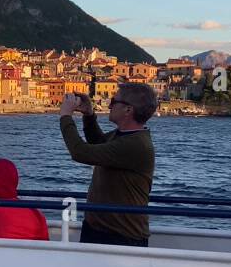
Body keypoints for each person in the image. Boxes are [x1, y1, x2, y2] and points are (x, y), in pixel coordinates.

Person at [58, 83, 157, 247]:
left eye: (114, 100)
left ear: (128, 110)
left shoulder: (135, 144)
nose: (109, 105)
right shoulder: (124, 136)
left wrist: (65, 116)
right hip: (101, 228)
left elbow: (80, 152)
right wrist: (89, 115)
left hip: (121, 235)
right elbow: (97, 143)